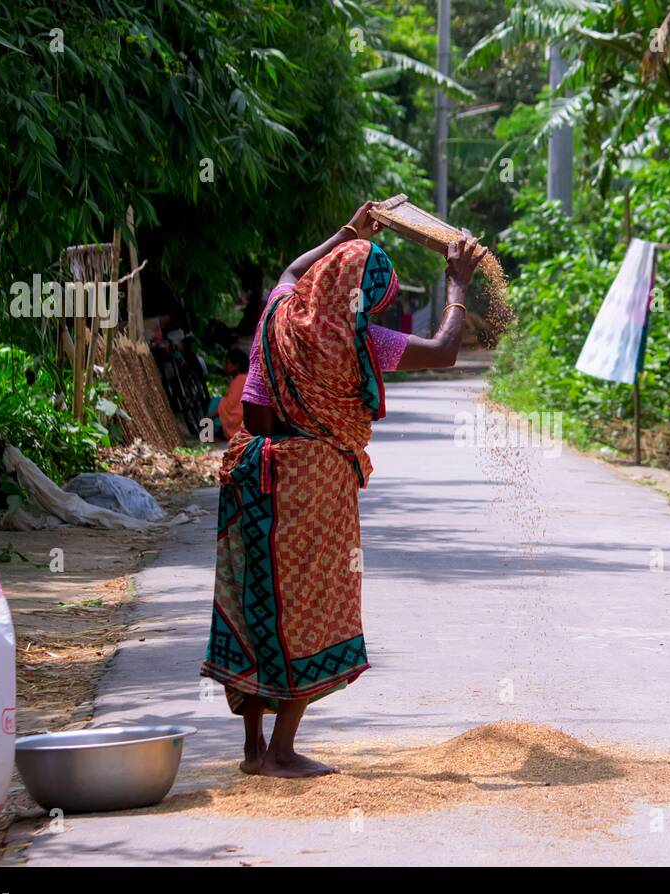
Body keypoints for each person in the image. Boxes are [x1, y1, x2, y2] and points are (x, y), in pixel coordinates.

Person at [200, 200, 487, 777]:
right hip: (310, 479)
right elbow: (446, 351)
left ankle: (254, 748)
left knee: (252, 595)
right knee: (311, 603)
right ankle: (282, 752)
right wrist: (457, 286)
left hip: (250, 471)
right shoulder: (360, 344)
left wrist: (346, 233)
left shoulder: (279, 313)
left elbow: (288, 272)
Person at [206, 348, 248, 440]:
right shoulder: (243, 378)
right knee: (218, 401)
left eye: (227, 363)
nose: (225, 366)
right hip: (243, 418)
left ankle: (207, 436)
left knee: (215, 402)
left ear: (236, 365)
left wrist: (209, 416)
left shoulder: (240, 379)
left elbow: (230, 405)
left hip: (239, 419)